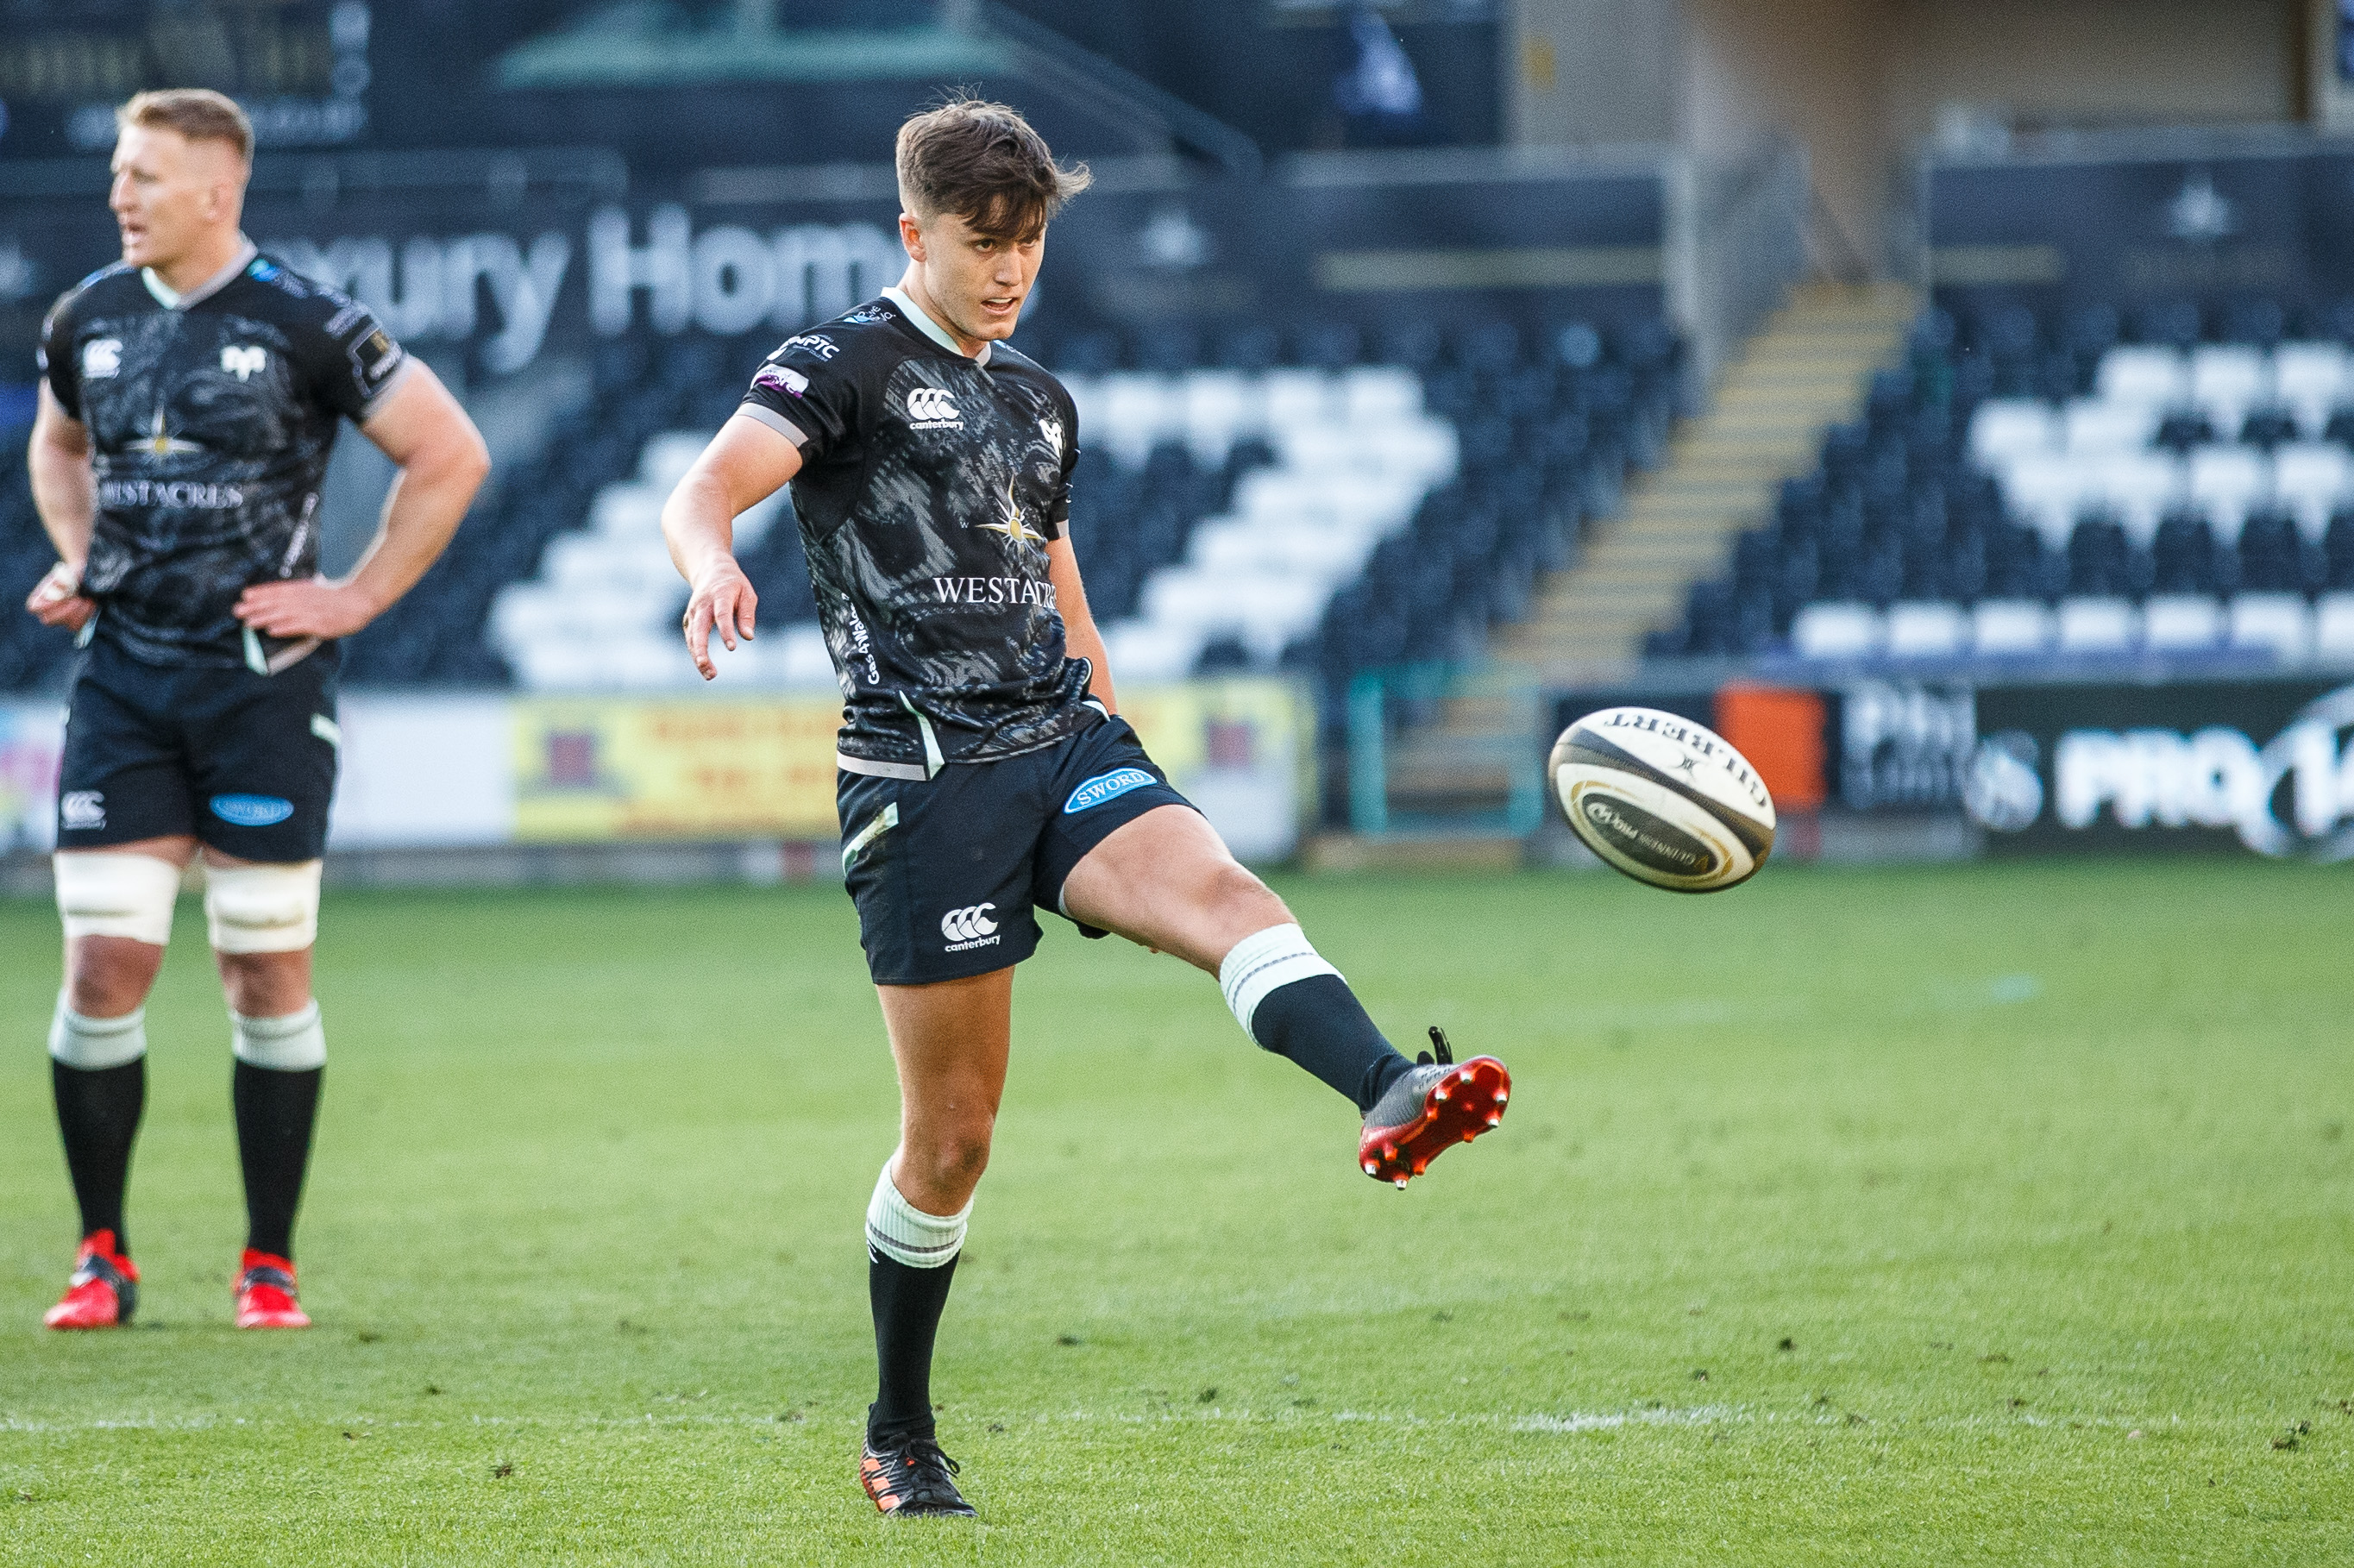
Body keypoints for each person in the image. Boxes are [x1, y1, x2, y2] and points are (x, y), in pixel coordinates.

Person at [659, 97, 1510, 1519]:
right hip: (923, 781)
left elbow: (1060, 589)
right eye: (982, 241)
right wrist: (708, 564)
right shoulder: (839, 364)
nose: (1007, 268)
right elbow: (708, 485)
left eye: (1031, 241)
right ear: (911, 232)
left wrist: (1116, 731)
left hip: (1061, 740)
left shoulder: (1039, 400)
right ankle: (899, 1427)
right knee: (954, 1138)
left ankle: (1389, 1086)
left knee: (1229, 896)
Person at [25, 89, 490, 1332]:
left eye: (146, 177)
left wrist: (356, 595)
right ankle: (101, 1254)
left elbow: (449, 453)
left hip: (261, 692)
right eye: (120, 174)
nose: (121, 195)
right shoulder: (89, 317)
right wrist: (77, 556)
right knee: (105, 961)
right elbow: (57, 447)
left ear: (217, 191)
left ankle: (266, 1260)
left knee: (264, 973)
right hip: (124, 681)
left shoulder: (308, 322)